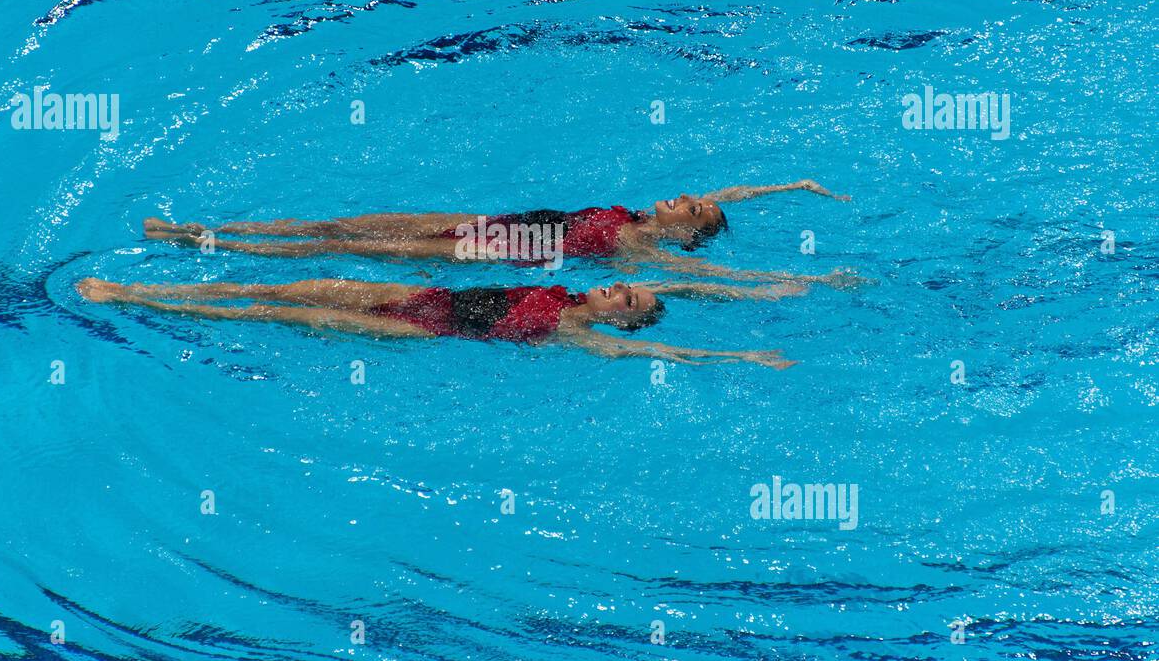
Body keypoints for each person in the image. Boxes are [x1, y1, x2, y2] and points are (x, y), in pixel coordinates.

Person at [142, 179, 856, 284]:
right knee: (346, 223)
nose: (690, 196)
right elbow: (732, 192)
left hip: (510, 246)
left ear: (684, 231)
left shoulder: (641, 247)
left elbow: (704, 276)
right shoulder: (648, 217)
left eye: (692, 207)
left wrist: (797, 280)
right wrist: (794, 184)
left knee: (348, 246)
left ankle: (203, 244)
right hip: (514, 221)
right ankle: (203, 228)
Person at [76, 276, 805, 368]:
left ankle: (133, 297)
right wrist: (759, 291)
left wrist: (744, 358)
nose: (617, 289)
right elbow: (672, 285)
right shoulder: (576, 294)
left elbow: (668, 353)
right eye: (625, 287)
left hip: (426, 329)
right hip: (425, 295)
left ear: (619, 323)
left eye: (627, 302)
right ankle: (155, 280)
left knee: (280, 311)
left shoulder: (579, 333)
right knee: (281, 284)